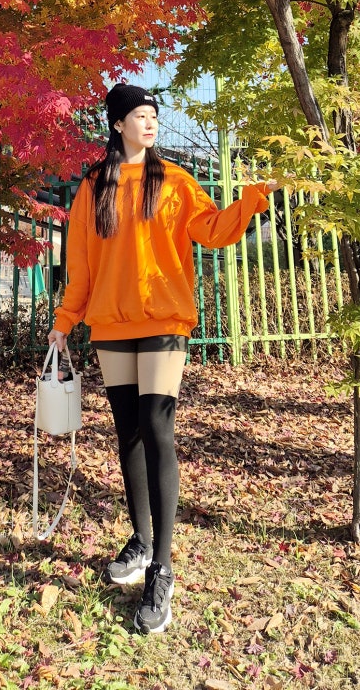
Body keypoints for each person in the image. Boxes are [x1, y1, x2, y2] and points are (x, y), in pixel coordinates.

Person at [48, 82, 276, 635]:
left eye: (154, 116)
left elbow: (213, 230)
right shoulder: (91, 188)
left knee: (157, 427)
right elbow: (79, 262)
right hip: (109, 323)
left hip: (164, 319)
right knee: (126, 432)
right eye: (140, 116)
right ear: (118, 124)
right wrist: (64, 322)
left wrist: (249, 199)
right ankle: (142, 543)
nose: (150, 124)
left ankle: (164, 571)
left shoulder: (174, 181)